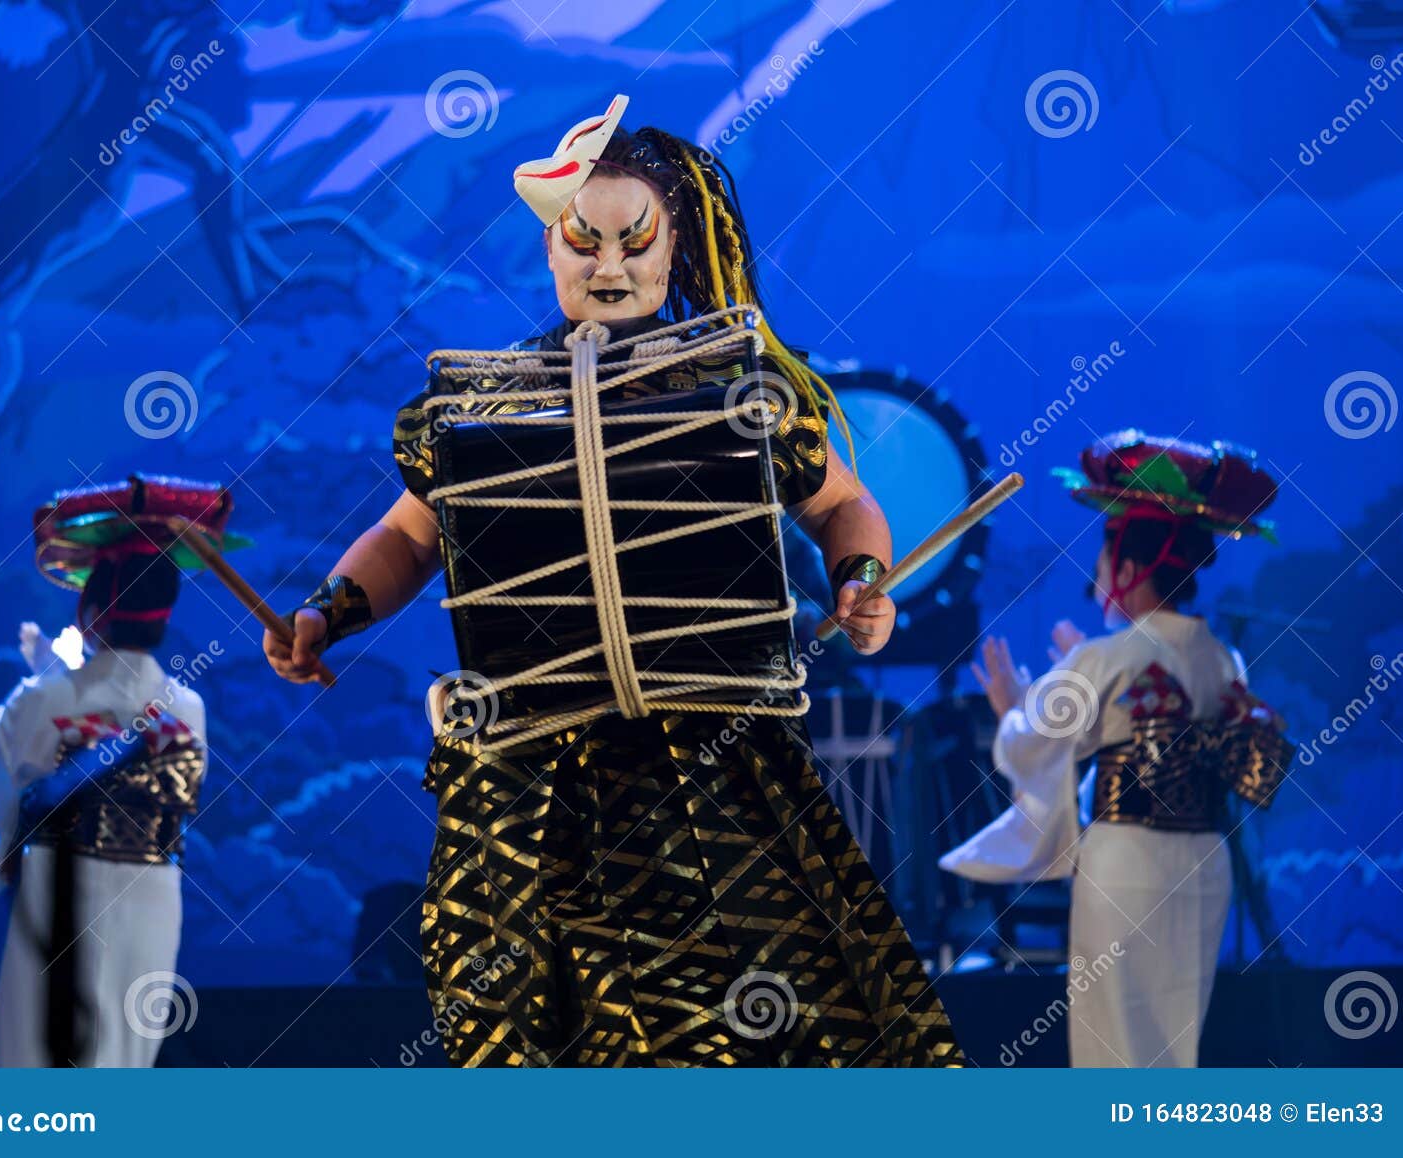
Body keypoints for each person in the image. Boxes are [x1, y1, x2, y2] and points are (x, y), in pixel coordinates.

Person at [264, 95, 961, 1067]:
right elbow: (408, 536)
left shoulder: (734, 385)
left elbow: (842, 505)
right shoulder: (481, 405)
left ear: (673, 248)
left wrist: (862, 578)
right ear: (548, 250)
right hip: (529, 776)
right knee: (524, 1023)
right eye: (583, 243)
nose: (609, 266)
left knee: (736, 1015)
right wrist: (324, 613)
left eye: (635, 243)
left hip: (708, 763)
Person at [941, 431, 1293, 1067]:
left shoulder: (1103, 657)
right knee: (1174, 1037)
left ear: (1129, 568)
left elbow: (1031, 744)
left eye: (1105, 555)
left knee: (1115, 1042)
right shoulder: (1222, 659)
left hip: (1127, 862)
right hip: (1202, 863)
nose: (1100, 571)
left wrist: (1010, 706)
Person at [0, 505, 207, 1068]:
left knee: (39, 1051)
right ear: (162, 617)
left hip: (62, 880)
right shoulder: (189, 708)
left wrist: (48, 674)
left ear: (93, 613)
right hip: (152, 886)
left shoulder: (48, 698)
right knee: (124, 1054)